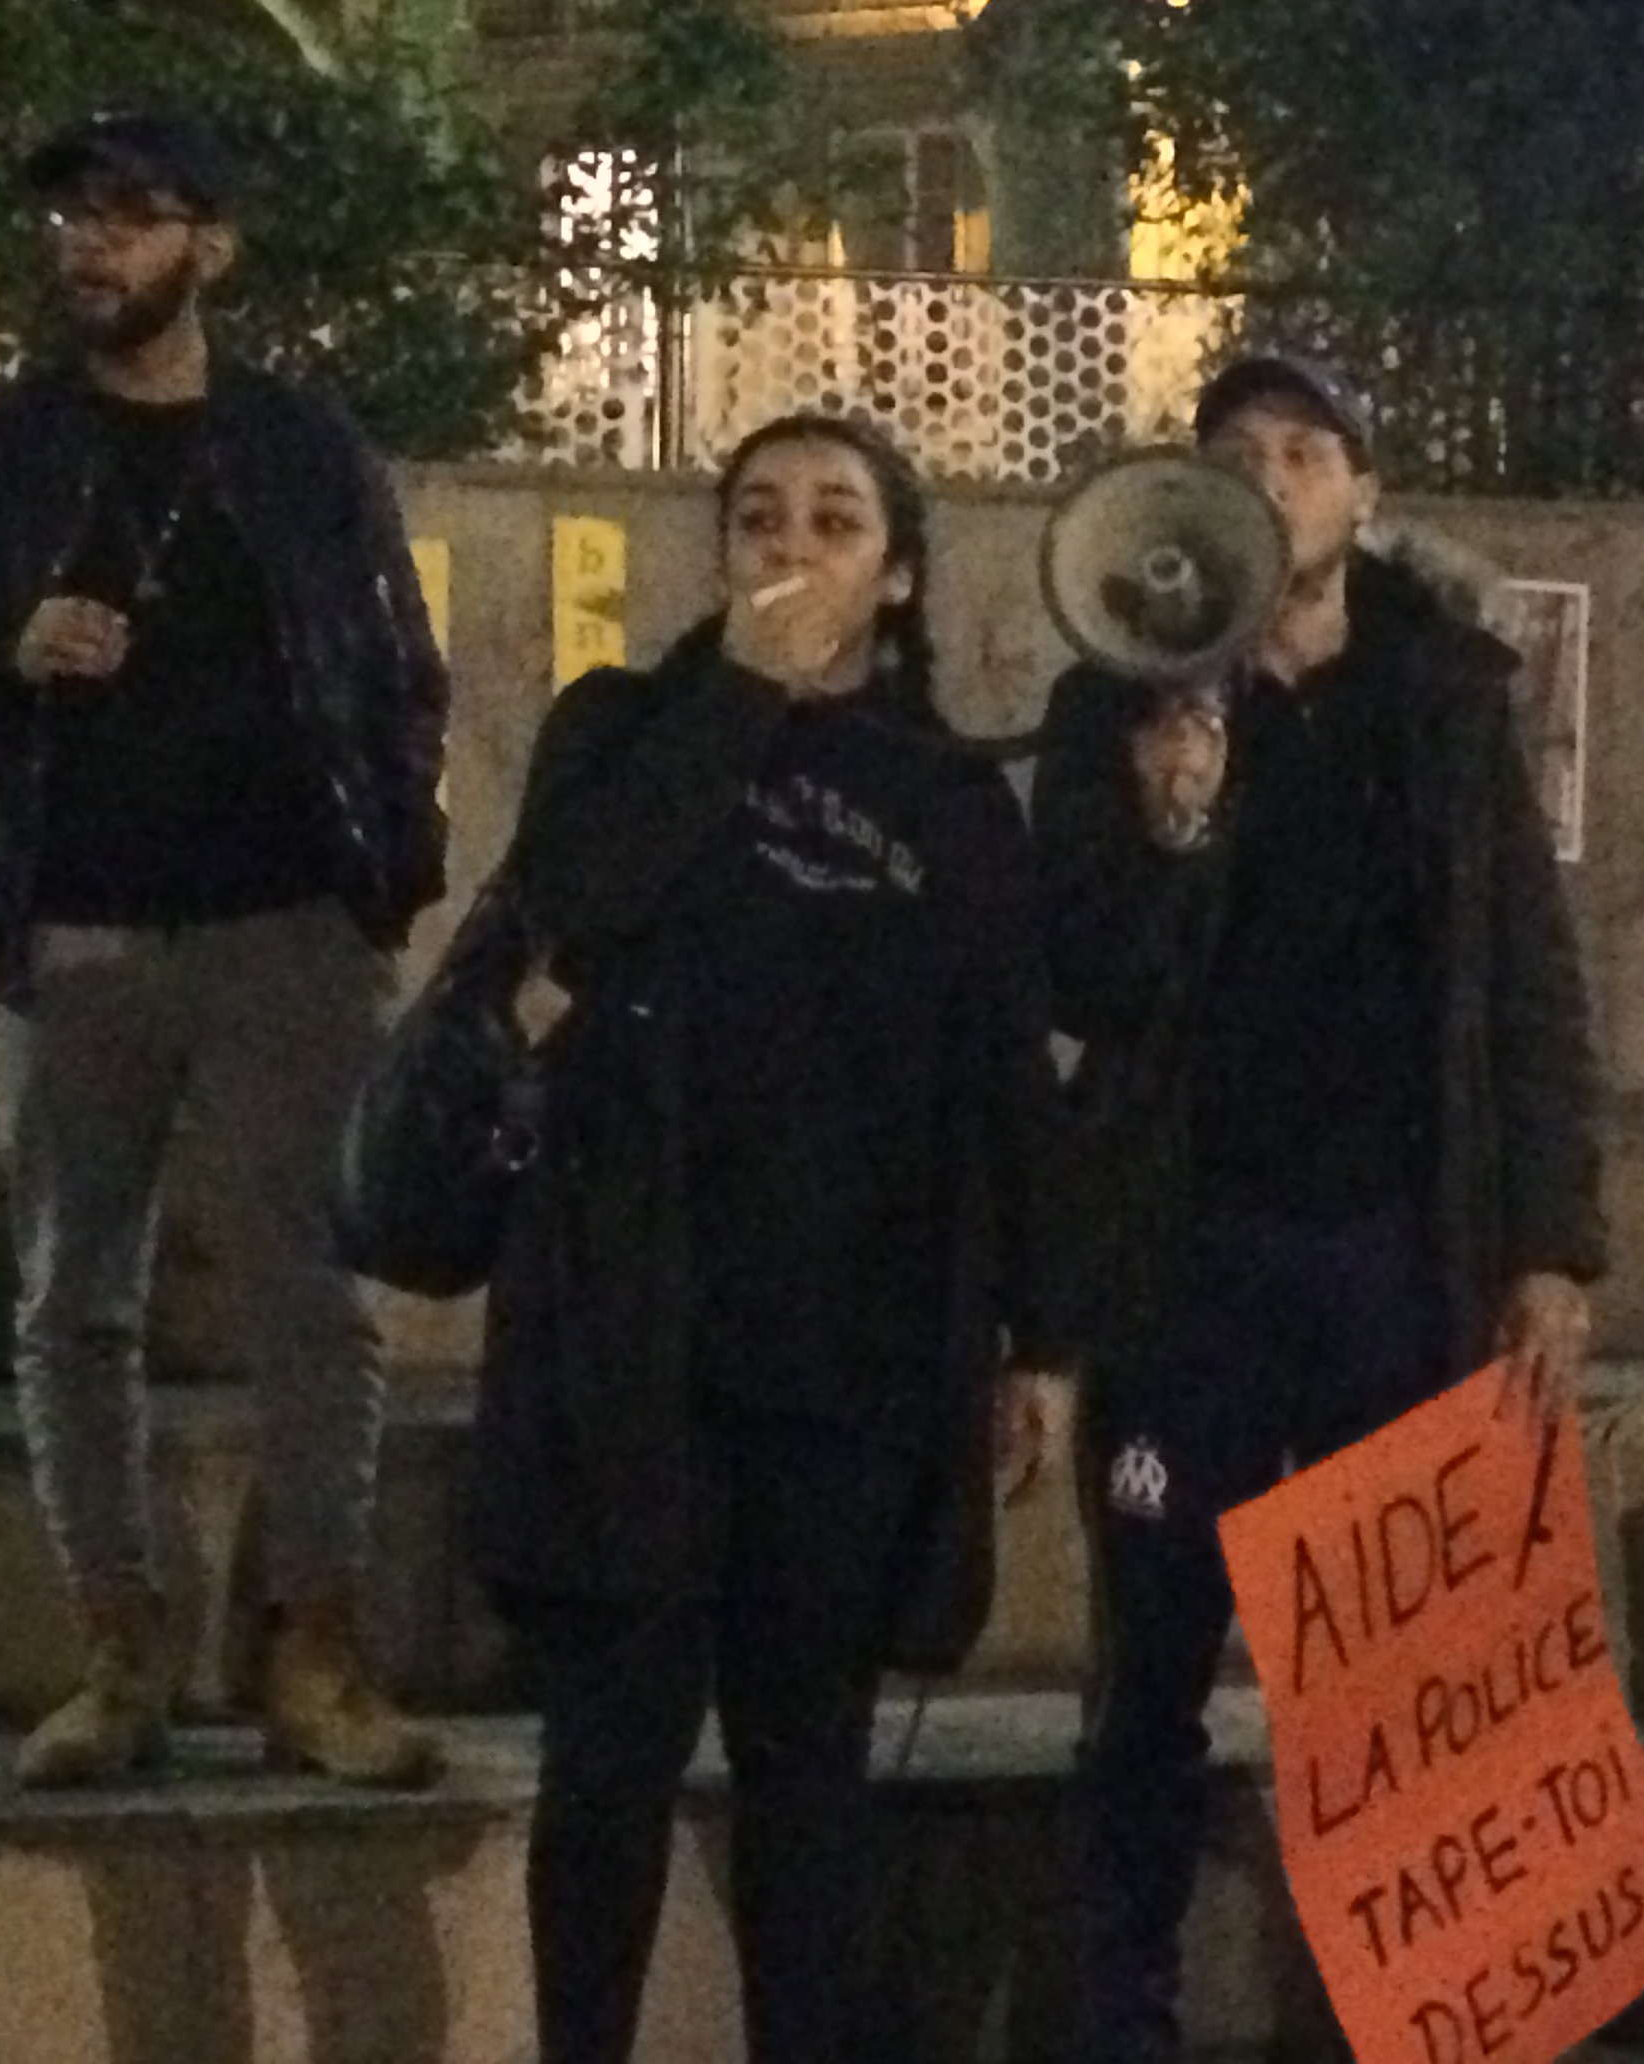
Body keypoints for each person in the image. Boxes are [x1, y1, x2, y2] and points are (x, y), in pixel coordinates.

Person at [471, 412, 1075, 2064]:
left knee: (809, 1773)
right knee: (611, 1758)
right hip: (639, 1337)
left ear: (898, 575)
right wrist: (738, 697)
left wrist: (1043, 1335)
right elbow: (574, 903)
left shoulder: (949, 798)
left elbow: (1005, 1073)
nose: (791, 545)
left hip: (851, 1357)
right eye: (758, 517)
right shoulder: (622, 728)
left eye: (833, 518)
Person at [1033, 352, 1604, 2064]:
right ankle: (1121, 2021)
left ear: (1362, 493)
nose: (1271, 476)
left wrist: (1552, 1245)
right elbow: (1078, 976)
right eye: (1237, 452)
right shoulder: (1115, 701)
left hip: (1390, 1261)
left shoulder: (1444, 702)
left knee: (1404, 1695)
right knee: (1148, 1675)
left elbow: (1525, 985)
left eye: (1304, 450)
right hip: (1181, 1264)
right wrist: (1167, 825)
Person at [0, 110, 447, 1788]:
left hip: (288, 929)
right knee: (72, 1300)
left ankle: (316, 1652)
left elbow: (396, 671)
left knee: (317, 1299)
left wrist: (387, 877)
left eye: (130, 217)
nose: (90, 245)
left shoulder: (299, 449)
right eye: (74, 215)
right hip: (69, 932)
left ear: (211, 246)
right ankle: (118, 1652)